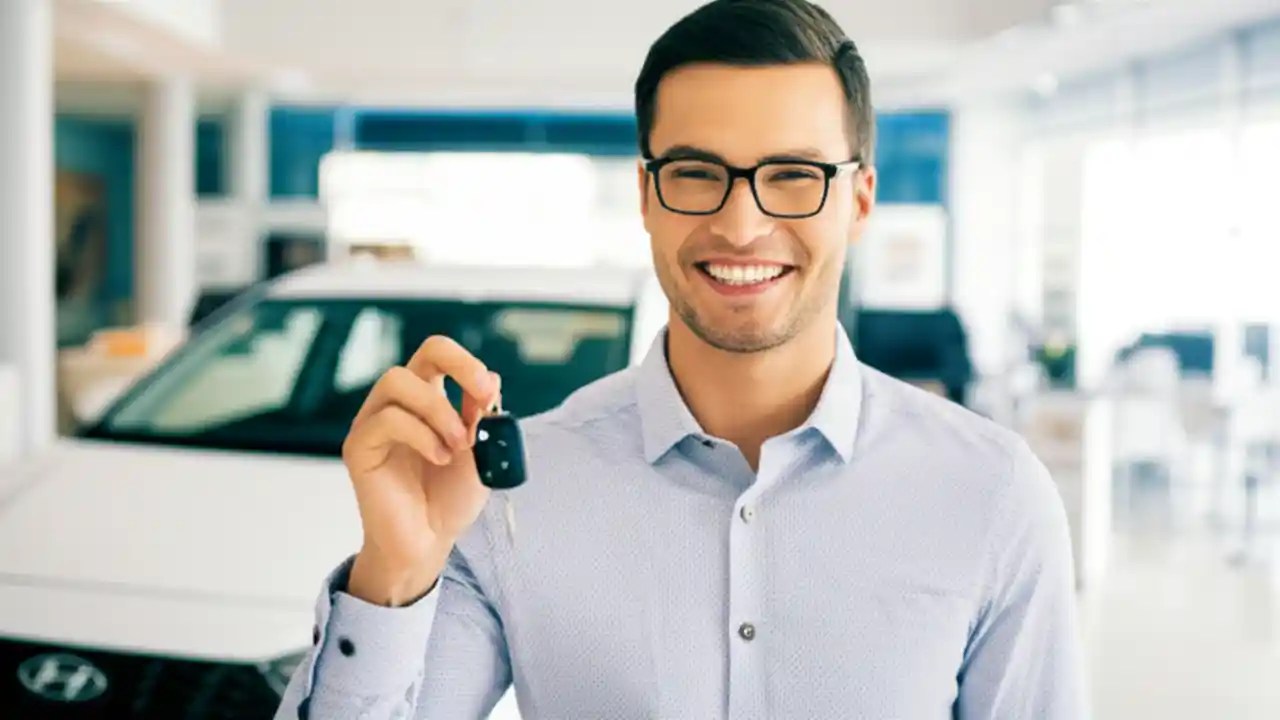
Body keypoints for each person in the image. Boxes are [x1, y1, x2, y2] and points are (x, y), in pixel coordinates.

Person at [275, 1, 1086, 717]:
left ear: (860, 200)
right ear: (645, 195)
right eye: (697, 174)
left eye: (793, 175)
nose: (740, 225)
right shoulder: (510, 497)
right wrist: (396, 570)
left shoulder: (991, 494)